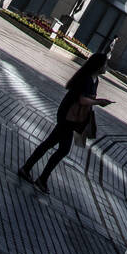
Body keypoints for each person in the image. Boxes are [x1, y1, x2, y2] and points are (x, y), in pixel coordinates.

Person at [18, 52, 113, 193]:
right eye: (105, 64)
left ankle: (29, 170)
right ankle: (40, 178)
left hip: (74, 118)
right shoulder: (87, 79)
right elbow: (82, 100)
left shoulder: (95, 80)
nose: (107, 67)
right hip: (68, 116)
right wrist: (99, 102)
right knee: (62, 148)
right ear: (98, 65)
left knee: (51, 143)